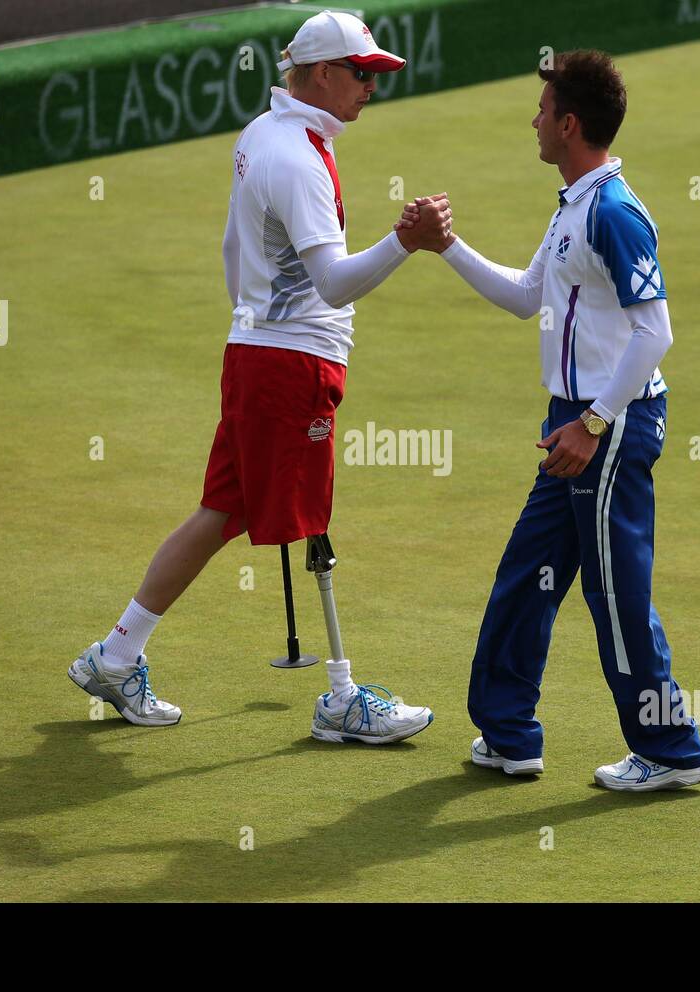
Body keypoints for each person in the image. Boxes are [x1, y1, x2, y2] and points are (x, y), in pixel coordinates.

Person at [68, 11, 451, 744]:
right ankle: (341, 698)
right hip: (291, 364)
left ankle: (115, 656)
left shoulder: (263, 136)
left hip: (255, 352)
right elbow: (334, 284)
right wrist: (406, 241)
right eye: (360, 73)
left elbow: (230, 249)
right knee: (310, 515)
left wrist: (252, 322)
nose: (371, 87)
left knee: (219, 511)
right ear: (319, 73)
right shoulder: (298, 160)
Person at [400, 50, 700, 790]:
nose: (533, 121)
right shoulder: (574, 204)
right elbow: (524, 295)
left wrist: (595, 423)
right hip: (572, 424)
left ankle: (673, 752)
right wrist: (445, 247)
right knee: (528, 575)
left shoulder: (615, 212)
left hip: (613, 424)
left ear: (570, 124)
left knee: (615, 593)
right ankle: (510, 735)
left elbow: (655, 333)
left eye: (543, 111)